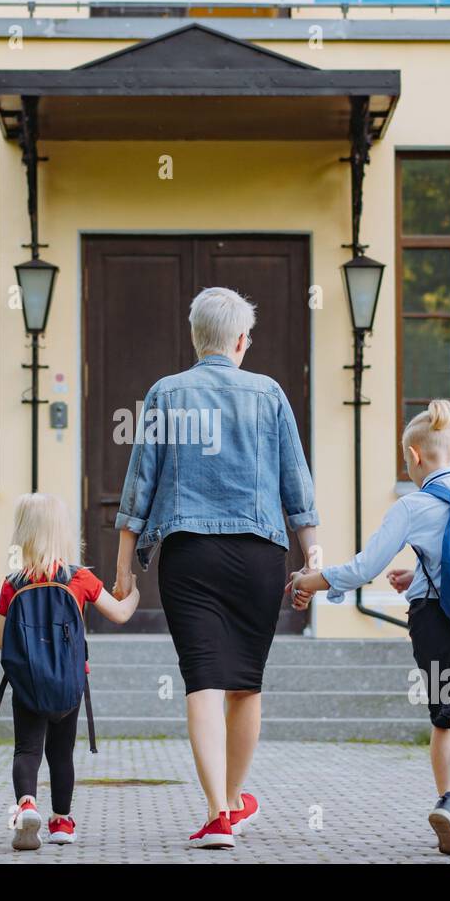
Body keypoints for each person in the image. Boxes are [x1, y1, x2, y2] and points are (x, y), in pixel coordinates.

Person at [114, 287, 318, 849]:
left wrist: (124, 573)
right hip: (259, 553)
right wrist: (313, 561)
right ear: (240, 340)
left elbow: (139, 484)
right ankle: (230, 800)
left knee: (201, 680)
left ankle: (217, 814)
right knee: (245, 687)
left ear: (195, 336)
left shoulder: (165, 393)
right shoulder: (270, 394)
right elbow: (295, 483)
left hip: (189, 555)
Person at [288, 399, 450, 857]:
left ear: (414, 458)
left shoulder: (412, 505)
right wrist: (421, 571)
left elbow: (365, 567)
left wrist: (311, 580)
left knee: (444, 716)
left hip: (432, 619)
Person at [0, 493, 139, 850]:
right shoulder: (80, 578)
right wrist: (132, 592)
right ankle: (62, 822)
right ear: (63, 532)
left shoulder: (13, 583)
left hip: (29, 684)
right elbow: (119, 614)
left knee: (27, 750)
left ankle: (27, 804)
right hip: (68, 683)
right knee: (61, 753)